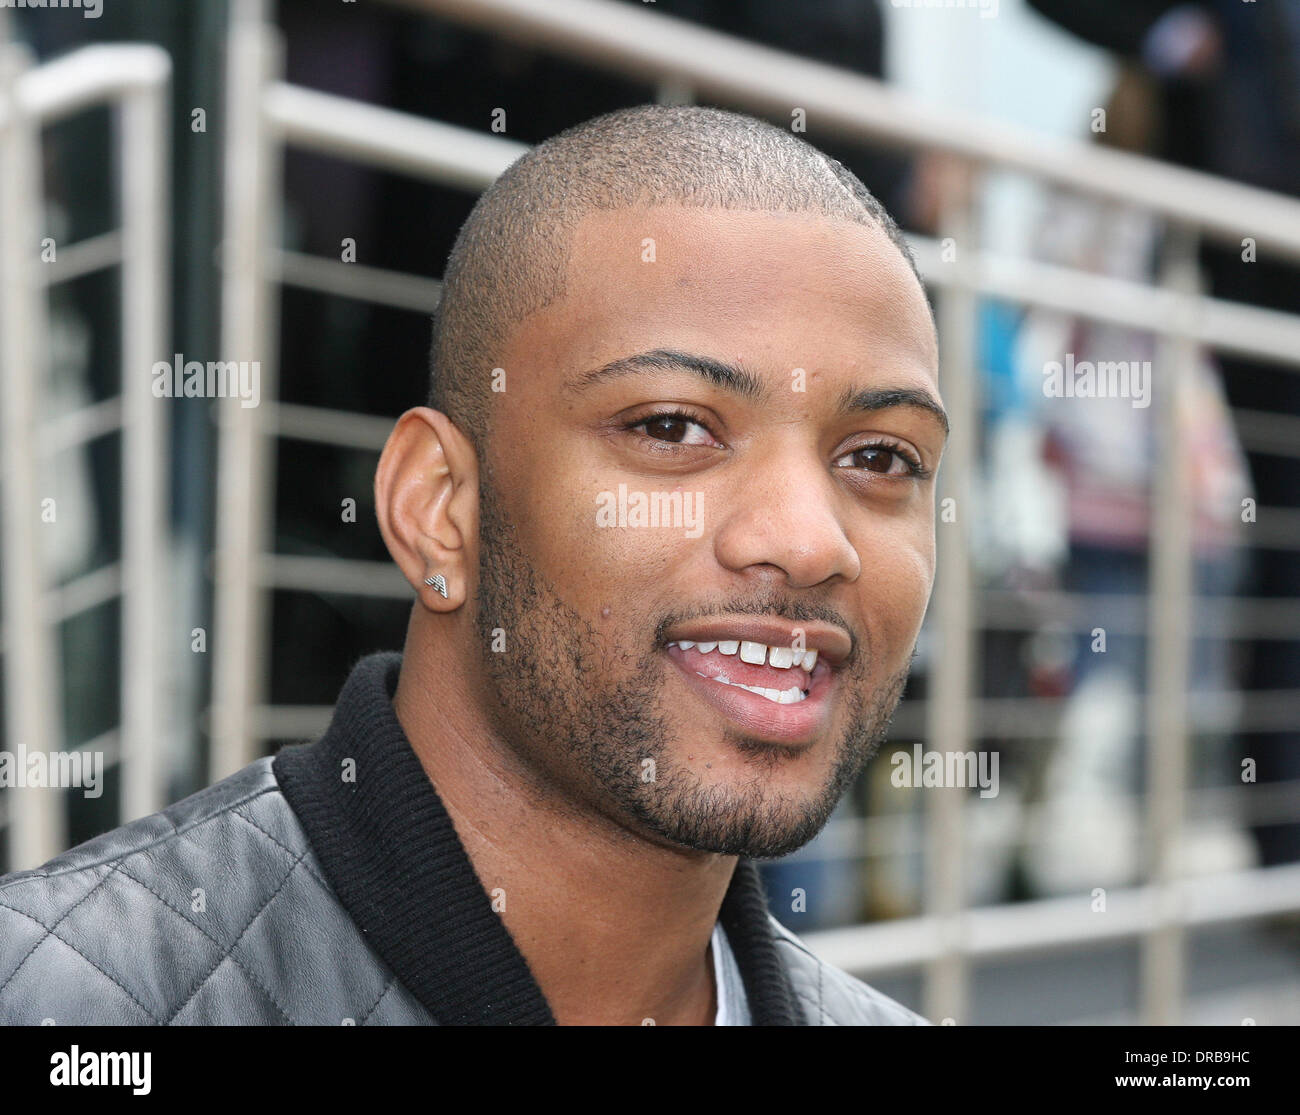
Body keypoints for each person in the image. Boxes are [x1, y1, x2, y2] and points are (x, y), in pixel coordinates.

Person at [0, 105, 944, 1026]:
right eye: (670, 428)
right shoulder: (55, 993)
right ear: (438, 508)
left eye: (881, 457)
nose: (815, 539)